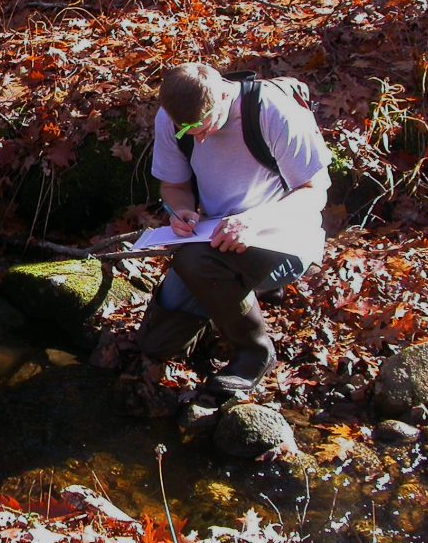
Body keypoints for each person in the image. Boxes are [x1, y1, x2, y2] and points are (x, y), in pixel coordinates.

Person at [136, 63, 331, 400]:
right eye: (187, 131)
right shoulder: (172, 118)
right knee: (158, 344)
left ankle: (255, 352)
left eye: (201, 125)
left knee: (194, 262)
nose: (197, 137)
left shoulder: (272, 111)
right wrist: (180, 210)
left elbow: (315, 192)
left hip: (282, 238)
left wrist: (254, 222)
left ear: (225, 94)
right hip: (214, 238)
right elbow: (174, 185)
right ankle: (234, 302)